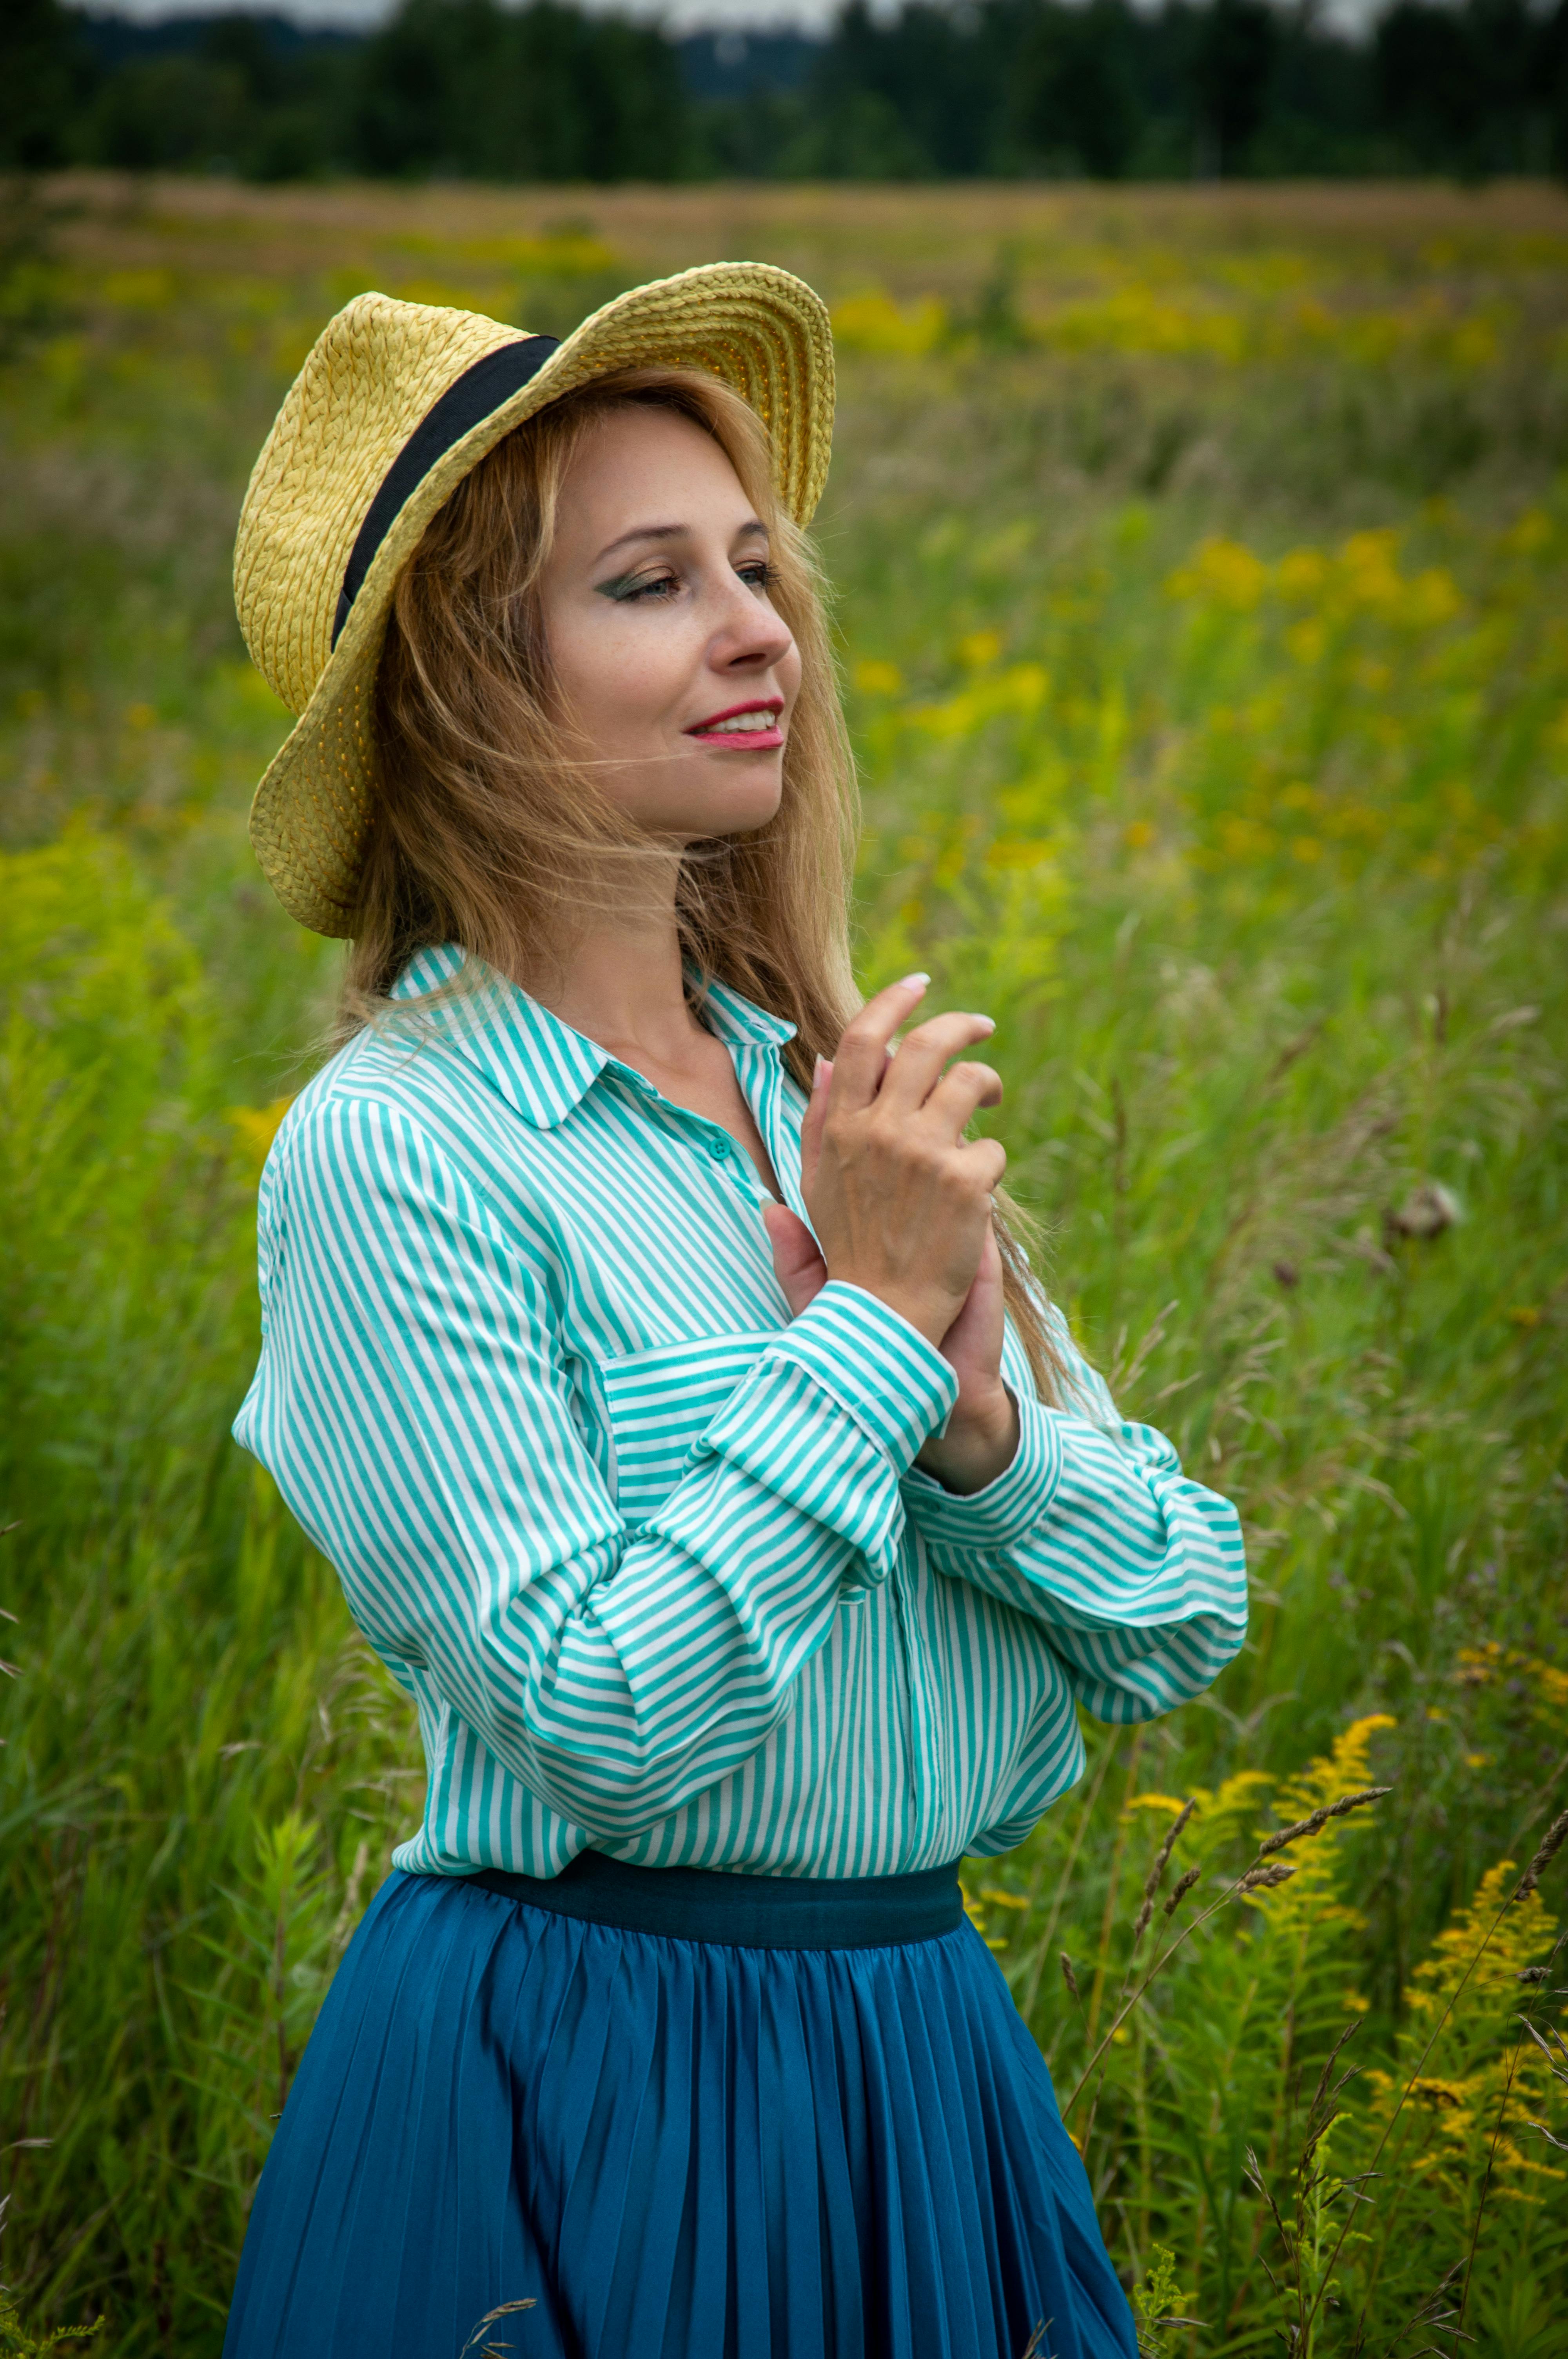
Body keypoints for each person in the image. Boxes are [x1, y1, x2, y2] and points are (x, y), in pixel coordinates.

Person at [223, 263, 1247, 2359]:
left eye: (756, 566)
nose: (761, 626)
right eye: (650, 581)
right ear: (463, 683)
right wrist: (867, 1328)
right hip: (589, 2078)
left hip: (919, 2067)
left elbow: (1183, 1613)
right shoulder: (401, 1152)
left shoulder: (830, 1094)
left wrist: (972, 1439)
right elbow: (604, 1721)